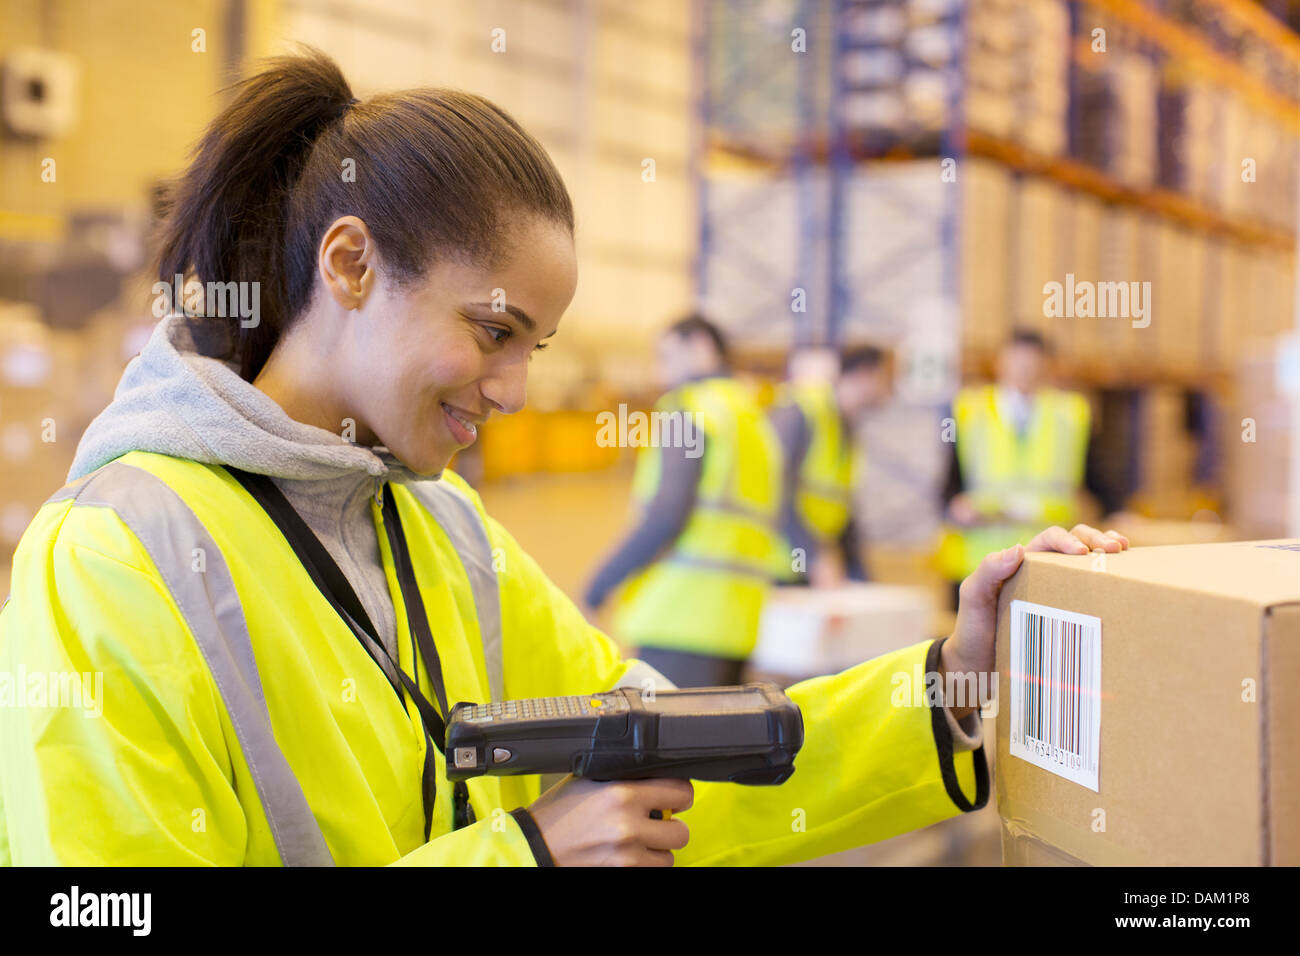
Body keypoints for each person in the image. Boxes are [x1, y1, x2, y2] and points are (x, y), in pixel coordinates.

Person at [0, 50, 1129, 867]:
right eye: (493, 332)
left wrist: (954, 685)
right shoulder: (114, 555)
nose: (515, 389)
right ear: (349, 264)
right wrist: (527, 854)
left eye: (532, 346)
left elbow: (674, 775)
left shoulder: (449, 540)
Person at [583, 315, 783, 688]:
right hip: (739, 621)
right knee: (716, 743)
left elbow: (666, 515)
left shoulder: (691, 409)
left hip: (681, 618)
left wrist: (601, 582)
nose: (660, 373)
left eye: (666, 357)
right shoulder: (753, 418)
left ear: (701, 348)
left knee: (669, 741)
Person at [938, 328, 1116, 606]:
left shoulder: (1071, 413)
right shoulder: (966, 409)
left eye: (1032, 364)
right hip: (980, 558)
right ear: (1000, 363)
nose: (1024, 372)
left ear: (1047, 366)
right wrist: (954, 505)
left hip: (1048, 559)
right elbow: (949, 480)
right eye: (1017, 362)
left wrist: (1113, 510)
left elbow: (1098, 477)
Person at [770, 346, 890, 588]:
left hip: (812, 570)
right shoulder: (803, 411)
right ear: (864, 375)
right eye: (886, 378)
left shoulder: (847, 428)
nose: (890, 390)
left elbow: (841, 508)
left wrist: (858, 574)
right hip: (779, 568)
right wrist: (813, 557)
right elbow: (775, 489)